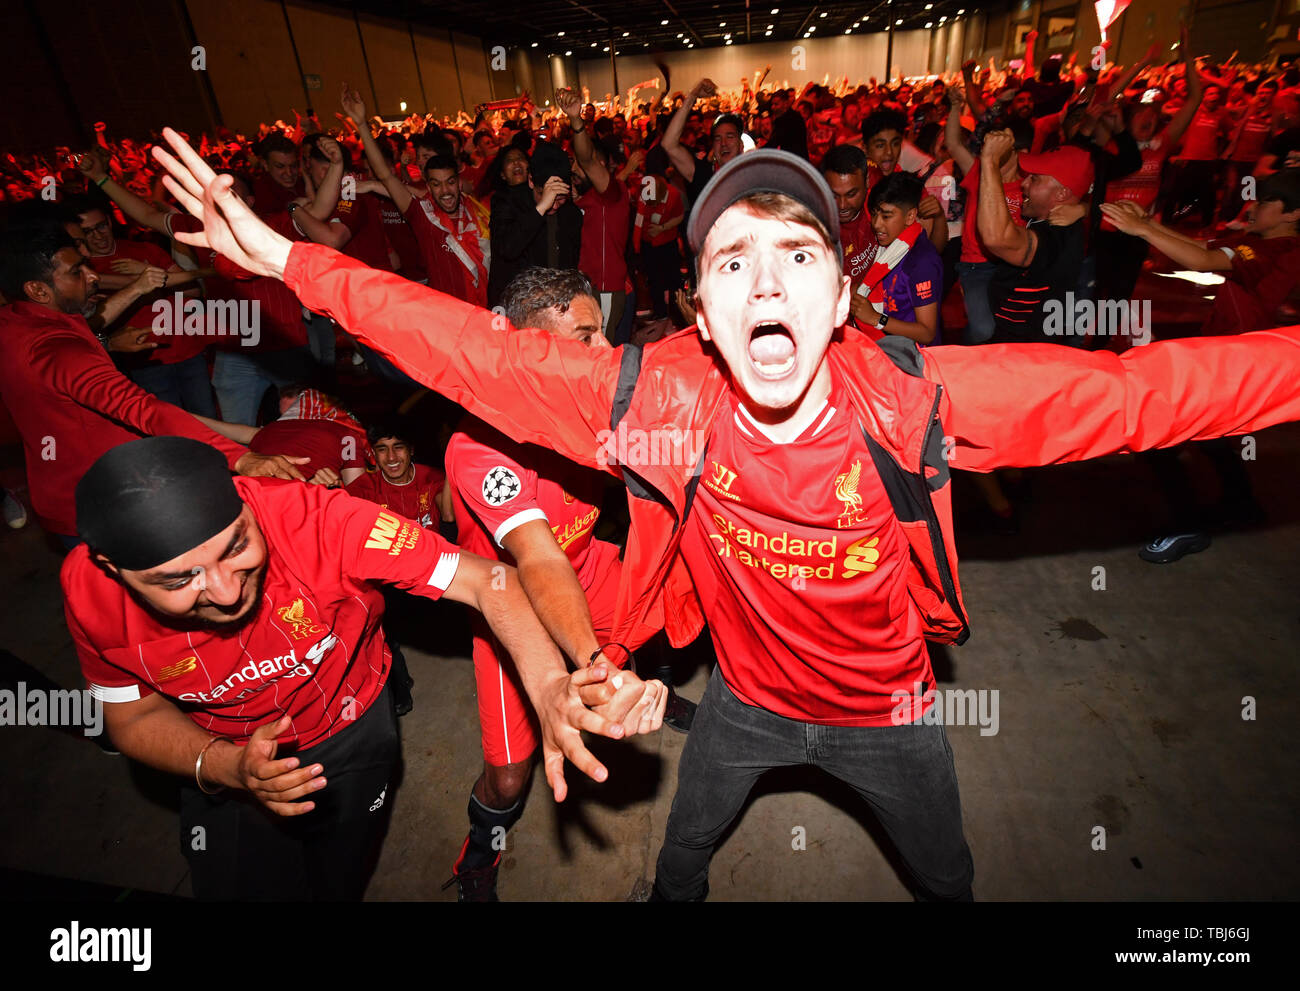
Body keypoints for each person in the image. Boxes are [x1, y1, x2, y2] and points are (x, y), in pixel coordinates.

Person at [157, 130, 1300, 901]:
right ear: (698, 310)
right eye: (731, 261)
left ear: (841, 296)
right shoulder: (652, 402)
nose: (764, 283)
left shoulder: (920, 405)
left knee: (945, 872)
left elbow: (1147, 394)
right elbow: (469, 350)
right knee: (683, 852)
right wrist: (292, 261)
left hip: (891, 712)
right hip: (744, 704)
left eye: (797, 254)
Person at [61, 436, 622, 900]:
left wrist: (548, 682)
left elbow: (490, 581)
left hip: (354, 727)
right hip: (223, 757)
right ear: (111, 568)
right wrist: (229, 768)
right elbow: (131, 719)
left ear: (245, 501)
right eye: (181, 579)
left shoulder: (317, 519)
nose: (228, 592)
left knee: (342, 874)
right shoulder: (89, 595)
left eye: (236, 547)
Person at [0, 219, 307, 543]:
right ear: (38, 290)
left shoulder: (13, 322)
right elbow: (143, 410)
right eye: (77, 272)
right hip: (107, 506)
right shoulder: (58, 350)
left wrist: (246, 434)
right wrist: (241, 457)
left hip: (64, 495)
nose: (93, 276)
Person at [1101, 169, 1300, 563]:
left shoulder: (1279, 251)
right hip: (1227, 356)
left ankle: (1187, 527)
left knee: (1159, 433)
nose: (1253, 207)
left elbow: (1202, 259)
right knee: (1209, 435)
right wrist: (1147, 223)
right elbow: (1200, 244)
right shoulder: (1260, 242)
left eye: (1265, 202)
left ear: (1292, 214)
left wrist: (1141, 230)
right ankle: (1242, 504)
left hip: (1239, 363)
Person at [977, 134, 1090, 344]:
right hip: (1016, 339)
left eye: (1035, 178)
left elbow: (997, 238)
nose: (1024, 183)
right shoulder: (1049, 220)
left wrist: (990, 161)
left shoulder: (1059, 233)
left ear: (1062, 194)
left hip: (1025, 348)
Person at [556, 87, 632, 336]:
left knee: (599, 349)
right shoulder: (586, 198)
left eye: (578, 164)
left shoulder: (612, 192)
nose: (574, 169)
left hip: (605, 288)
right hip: (586, 287)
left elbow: (587, 158)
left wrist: (575, 120)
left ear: (599, 166)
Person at [861, 172, 943, 345]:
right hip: (891, 348)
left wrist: (876, 318)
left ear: (910, 216)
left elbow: (927, 333)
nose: (876, 224)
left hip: (916, 355)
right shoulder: (888, 246)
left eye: (886, 216)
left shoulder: (921, 262)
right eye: (874, 214)